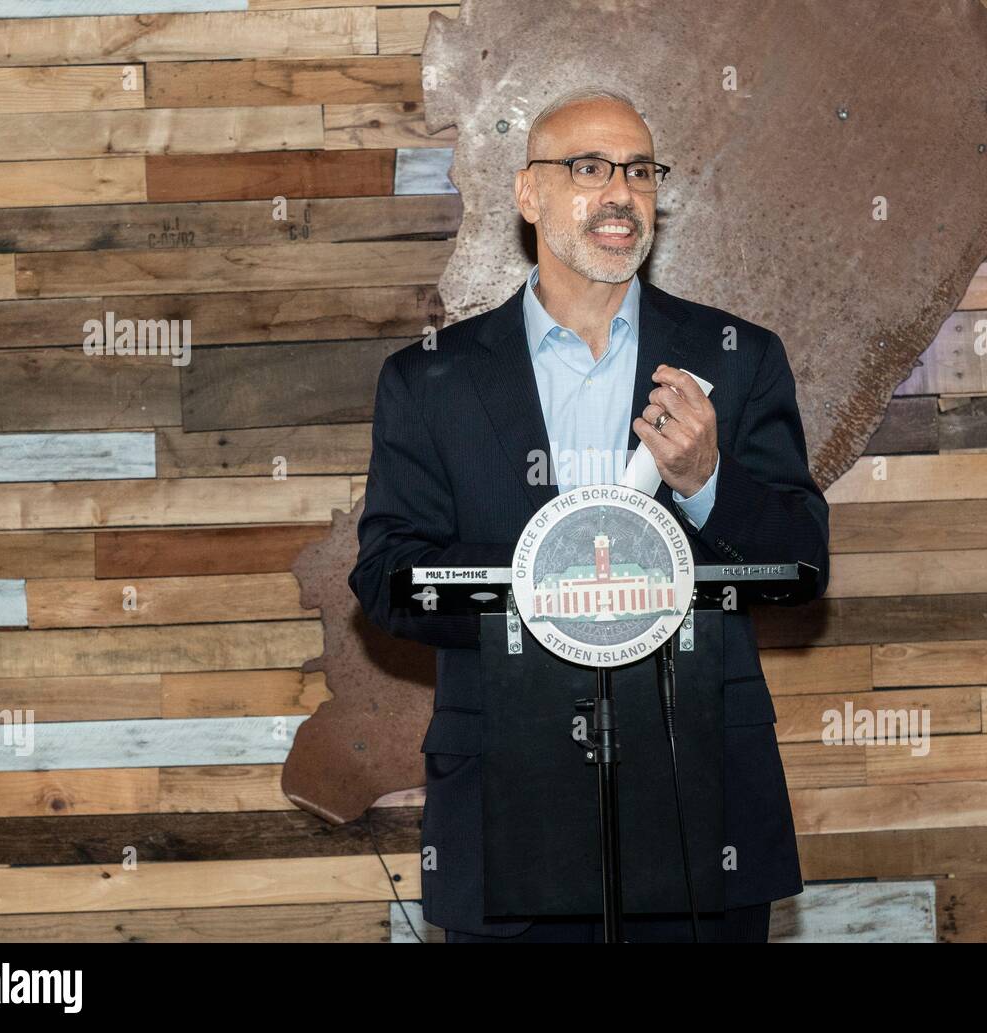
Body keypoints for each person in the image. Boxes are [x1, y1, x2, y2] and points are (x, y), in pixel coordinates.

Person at [350, 86, 830, 942]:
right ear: (529, 196)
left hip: (700, 804)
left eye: (639, 172)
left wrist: (707, 479)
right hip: (509, 807)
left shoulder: (738, 359)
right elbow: (389, 580)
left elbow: (802, 563)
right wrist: (554, 576)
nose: (620, 192)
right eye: (588, 168)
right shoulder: (430, 380)